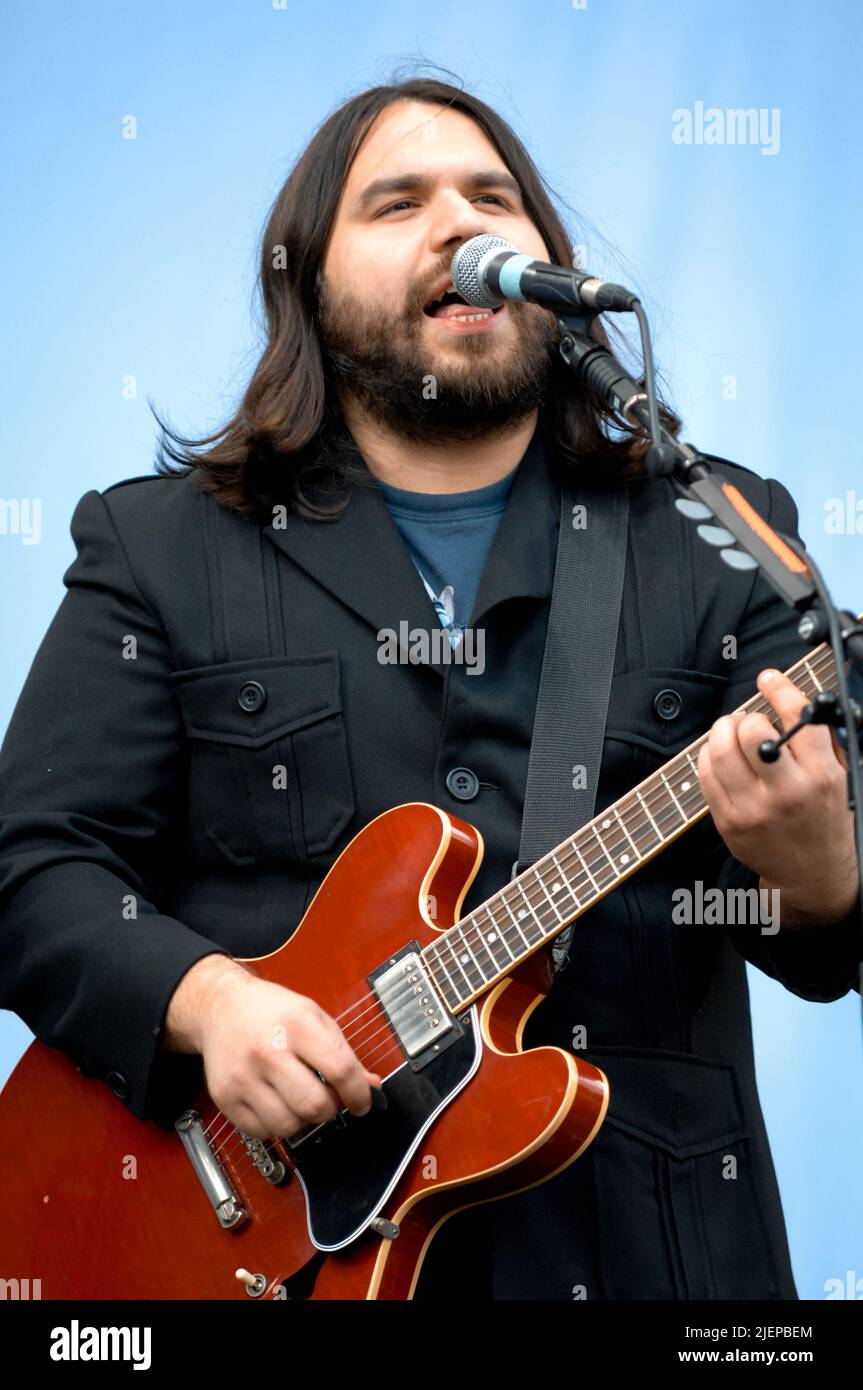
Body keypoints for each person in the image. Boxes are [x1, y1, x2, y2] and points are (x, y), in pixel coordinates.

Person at [0, 75, 859, 1302]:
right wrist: (202, 1001)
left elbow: (827, 924)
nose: (460, 225)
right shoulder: (165, 547)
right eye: (397, 202)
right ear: (307, 278)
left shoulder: (714, 529)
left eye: (491, 196)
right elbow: (30, 862)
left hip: (649, 1259)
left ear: (551, 270)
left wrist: (820, 872)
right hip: (269, 1253)